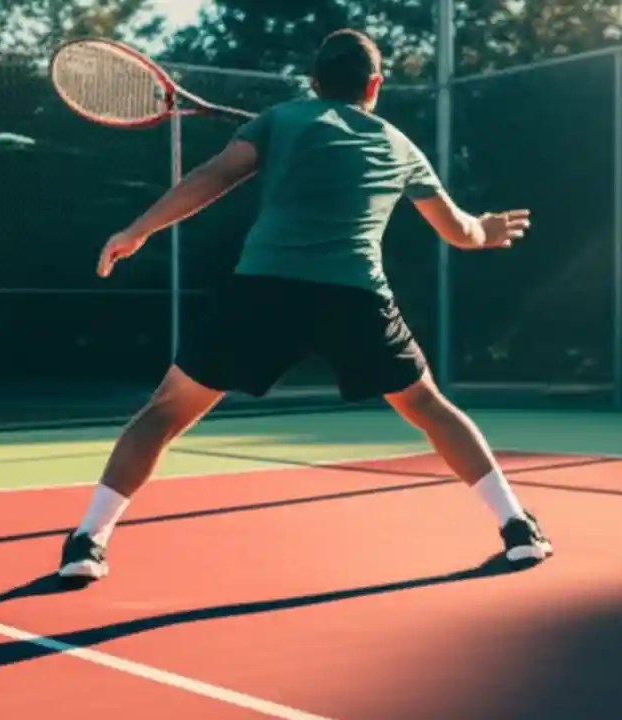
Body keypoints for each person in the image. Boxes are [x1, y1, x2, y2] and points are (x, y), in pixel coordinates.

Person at [58, 29, 551, 583]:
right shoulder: (398, 144)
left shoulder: (281, 119)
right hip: (356, 298)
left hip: (265, 291)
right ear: (375, 84)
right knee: (430, 408)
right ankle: (517, 528)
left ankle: (87, 542)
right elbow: (459, 232)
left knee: (165, 411)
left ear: (315, 83)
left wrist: (139, 228)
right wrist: (485, 230)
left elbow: (214, 176)